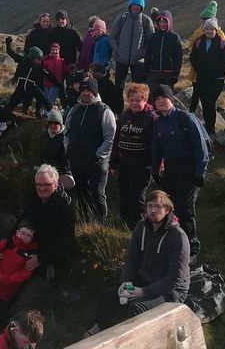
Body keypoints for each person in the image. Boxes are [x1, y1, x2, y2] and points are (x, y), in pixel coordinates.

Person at [84, 190, 190, 335]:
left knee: (137, 308)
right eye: (150, 206)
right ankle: (97, 328)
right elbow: (132, 259)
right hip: (143, 279)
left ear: (167, 210)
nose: (153, 210)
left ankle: (131, 341)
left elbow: (176, 277)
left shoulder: (178, 237)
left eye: (158, 207)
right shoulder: (141, 227)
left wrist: (144, 292)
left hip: (170, 290)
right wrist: (125, 281)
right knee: (107, 296)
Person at [151, 87, 209, 263]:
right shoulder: (159, 122)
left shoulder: (186, 118)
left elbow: (201, 147)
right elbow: (157, 148)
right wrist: (155, 169)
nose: (160, 101)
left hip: (189, 167)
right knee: (170, 207)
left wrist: (200, 173)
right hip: (171, 168)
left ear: (171, 99)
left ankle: (191, 248)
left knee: (185, 208)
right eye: (157, 99)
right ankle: (174, 243)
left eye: (164, 97)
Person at [11, 165, 75, 314]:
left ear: (55, 185)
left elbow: (66, 244)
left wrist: (40, 259)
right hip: (25, 256)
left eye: (46, 184)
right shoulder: (34, 203)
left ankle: (16, 322)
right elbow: (16, 227)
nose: (41, 188)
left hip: (48, 265)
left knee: (25, 299)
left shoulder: (64, 209)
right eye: (38, 185)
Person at [64, 76, 117, 220]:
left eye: (89, 90)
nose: (86, 93)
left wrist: (98, 155)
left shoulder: (104, 110)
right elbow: (66, 131)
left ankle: (101, 222)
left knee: (97, 193)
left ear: (95, 92)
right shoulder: (75, 109)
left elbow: (110, 137)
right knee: (81, 192)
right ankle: (85, 220)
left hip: (96, 162)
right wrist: (68, 149)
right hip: (76, 159)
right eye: (83, 90)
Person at [110, 83, 158, 228]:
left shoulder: (151, 117)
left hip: (142, 164)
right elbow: (117, 140)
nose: (134, 103)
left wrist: (155, 165)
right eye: (131, 100)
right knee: (124, 193)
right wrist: (114, 163)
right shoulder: (124, 115)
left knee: (138, 198)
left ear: (145, 99)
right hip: (124, 162)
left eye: (138, 100)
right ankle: (124, 223)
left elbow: (156, 144)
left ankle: (139, 227)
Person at [0, 222, 38, 337]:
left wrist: (5, 279)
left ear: (32, 238)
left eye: (29, 235)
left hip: (7, 290)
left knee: (0, 311)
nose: (25, 236)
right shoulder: (7, 243)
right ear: (17, 232)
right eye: (23, 233)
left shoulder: (30, 255)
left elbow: (24, 274)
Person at [189, 18, 225, 135]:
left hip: (217, 79)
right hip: (202, 78)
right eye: (207, 29)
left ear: (216, 30)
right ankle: (208, 128)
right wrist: (198, 68)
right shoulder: (198, 42)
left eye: (211, 29)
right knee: (204, 103)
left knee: (210, 102)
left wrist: (217, 69)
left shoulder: (222, 43)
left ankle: (211, 129)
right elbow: (193, 57)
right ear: (204, 30)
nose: (209, 31)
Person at [186, 1, 225, 115]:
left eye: (206, 18)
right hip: (197, 71)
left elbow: (224, 53)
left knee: (208, 99)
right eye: (202, 18)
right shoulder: (199, 31)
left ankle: (208, 119)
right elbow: (191, 47)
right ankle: (192, 114)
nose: (203, 21)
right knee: (196, 93)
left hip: (212, 75)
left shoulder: (219, 34)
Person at [109, 0, 155, 90]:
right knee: (118, 87)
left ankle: (136, 101)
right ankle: (118, 101)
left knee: (138, 88)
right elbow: (112, 36)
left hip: (138, 61)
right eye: (134, 4)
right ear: (130, 5)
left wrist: (143, 53)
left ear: (142, 7)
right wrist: (117, 49)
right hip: (121, 59)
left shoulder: (146, 20)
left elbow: (151, 40)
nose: (136, 7)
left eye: (139, 5)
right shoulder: (122, 18)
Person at [4, 42, 60, 115]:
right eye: (38, 58)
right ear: (32, 57)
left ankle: (42, 112)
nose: (39, 61)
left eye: (40, 59)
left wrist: (59, 84)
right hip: (23, 87)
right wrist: (8, 44)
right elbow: (12, 54)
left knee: (41, 97)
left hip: (28, 87)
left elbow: (49, 75)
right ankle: (5, 115)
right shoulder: (24, 61)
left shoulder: (39, 66)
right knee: (11, 104)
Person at [145, 11, 183, 94]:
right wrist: (145, 71)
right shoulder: (153, 37)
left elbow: (178, 58)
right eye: (161, 22)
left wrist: (175, 75)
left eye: (165, 22)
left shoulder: (175, 37)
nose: (163, 24)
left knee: (166, 98)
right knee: (152, 97)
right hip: (154, 73)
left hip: (168, 75)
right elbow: (148, 55)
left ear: (169, 22)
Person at [39, 109, 69, 175]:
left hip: (61, 172)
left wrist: (57, 171)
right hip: (47, 170)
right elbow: (41, 153)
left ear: (60, 124)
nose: (52, 125)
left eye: (56, 123)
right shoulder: (45, 135)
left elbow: (67, 161)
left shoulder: (66, 137)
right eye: (50, 123)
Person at [42, 44, 66, 108]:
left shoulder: (61, 61)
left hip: (56, 84)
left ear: (59, 51)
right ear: (50, 51)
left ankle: (48, 111)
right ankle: (45, 111)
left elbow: (64, 71)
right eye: (52, 50)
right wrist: (47, 56)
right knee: (45, 99)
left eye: (56, 50)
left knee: (50, 100)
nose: (54, 51)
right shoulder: (46, 60)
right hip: (46, 83)